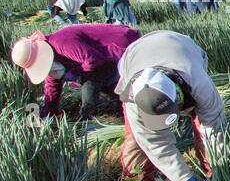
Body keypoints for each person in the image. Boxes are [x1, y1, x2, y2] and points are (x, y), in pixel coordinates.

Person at [114, 31, 224, 181]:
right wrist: (184, 177)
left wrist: (220, 167)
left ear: (177, 96)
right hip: (133, 57)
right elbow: (153, 142)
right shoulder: (133, 100)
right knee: (136, 142)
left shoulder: (198, 83)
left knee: (205, 129)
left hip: (182, 48)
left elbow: (214, 128)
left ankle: (216, 179)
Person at [12, 24, 140, 121]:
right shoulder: (52, 61)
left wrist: (75, 74)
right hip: (102, 59)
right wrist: (49, 114)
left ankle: (87, 118)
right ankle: (126, 109)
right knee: (101, 83)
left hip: (122, 44)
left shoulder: (61, 43)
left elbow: (93, 60)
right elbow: (52, 87)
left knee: (90, 83)